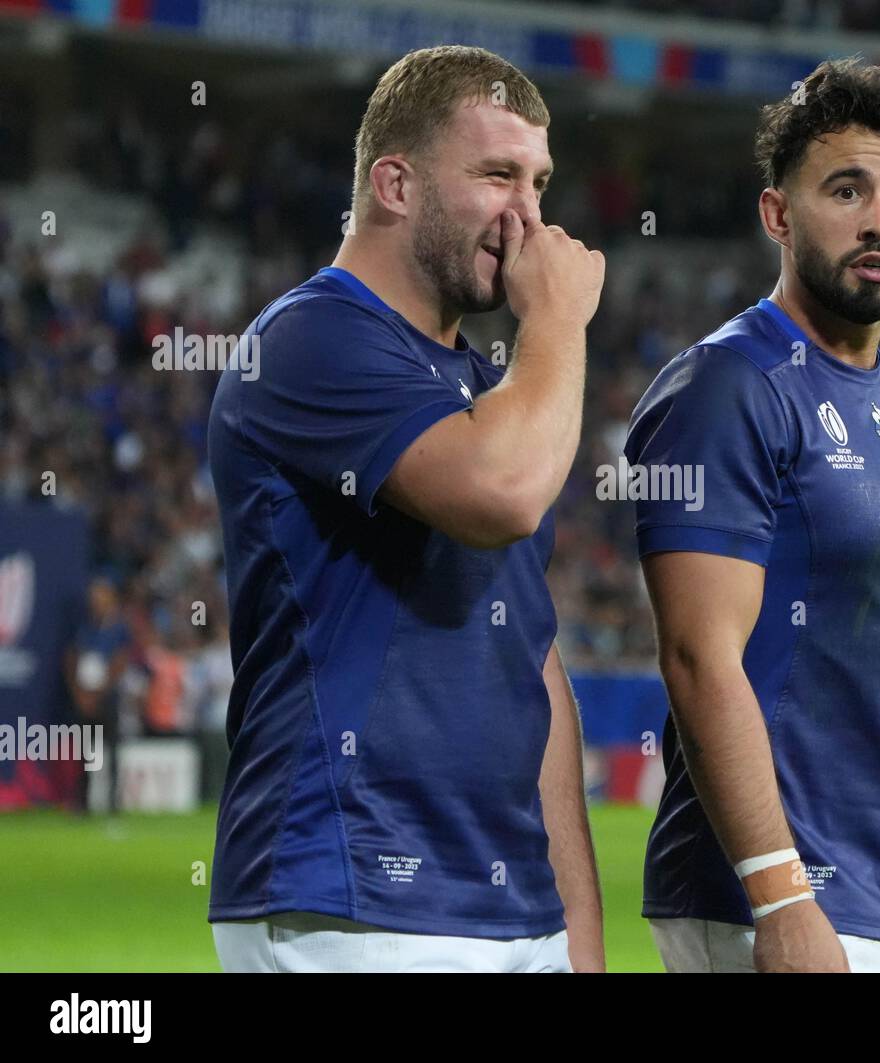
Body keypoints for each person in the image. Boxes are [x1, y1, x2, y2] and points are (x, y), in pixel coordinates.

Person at [625, 59, 880, 973]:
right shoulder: (726, 387)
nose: (878, 218)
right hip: (764, 903)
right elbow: (699, 657)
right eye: (845, 189)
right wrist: (781, 895)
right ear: (778, 214)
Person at [206, 46, 606, 972]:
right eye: (498, 175)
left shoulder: (483, 389)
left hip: (513, 908)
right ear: (394, 183)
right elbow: (501, 494)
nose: (530, 219)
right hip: (353, 893)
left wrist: (576, 931)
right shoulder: (311, 337)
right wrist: (553, 323)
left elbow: (530, 663)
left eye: (540, 182)